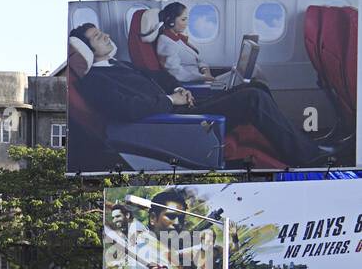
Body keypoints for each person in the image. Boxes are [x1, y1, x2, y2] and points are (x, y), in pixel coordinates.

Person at [69, 23, 336, 168]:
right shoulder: (94, 80)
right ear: (86, 49)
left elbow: (157, 79)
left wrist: (176, 89)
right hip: (170, 123)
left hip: (176, 106)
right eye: (95, 36)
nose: (104, 35)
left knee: (257, 88)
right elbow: (125, 109)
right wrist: (170, 101)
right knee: (252, 99)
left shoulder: (117, 64)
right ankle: (307, 159)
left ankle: (304, 146)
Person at [148, 3, 215, 85]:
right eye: (183, 20)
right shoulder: (166, 42)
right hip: (190, 84)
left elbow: (197, 59)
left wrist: (205, 69)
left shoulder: (179, 38)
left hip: (200, 77)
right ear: (170, 21)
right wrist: (203, 77)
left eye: (187, 19)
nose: (186, 23)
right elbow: (176, 73)